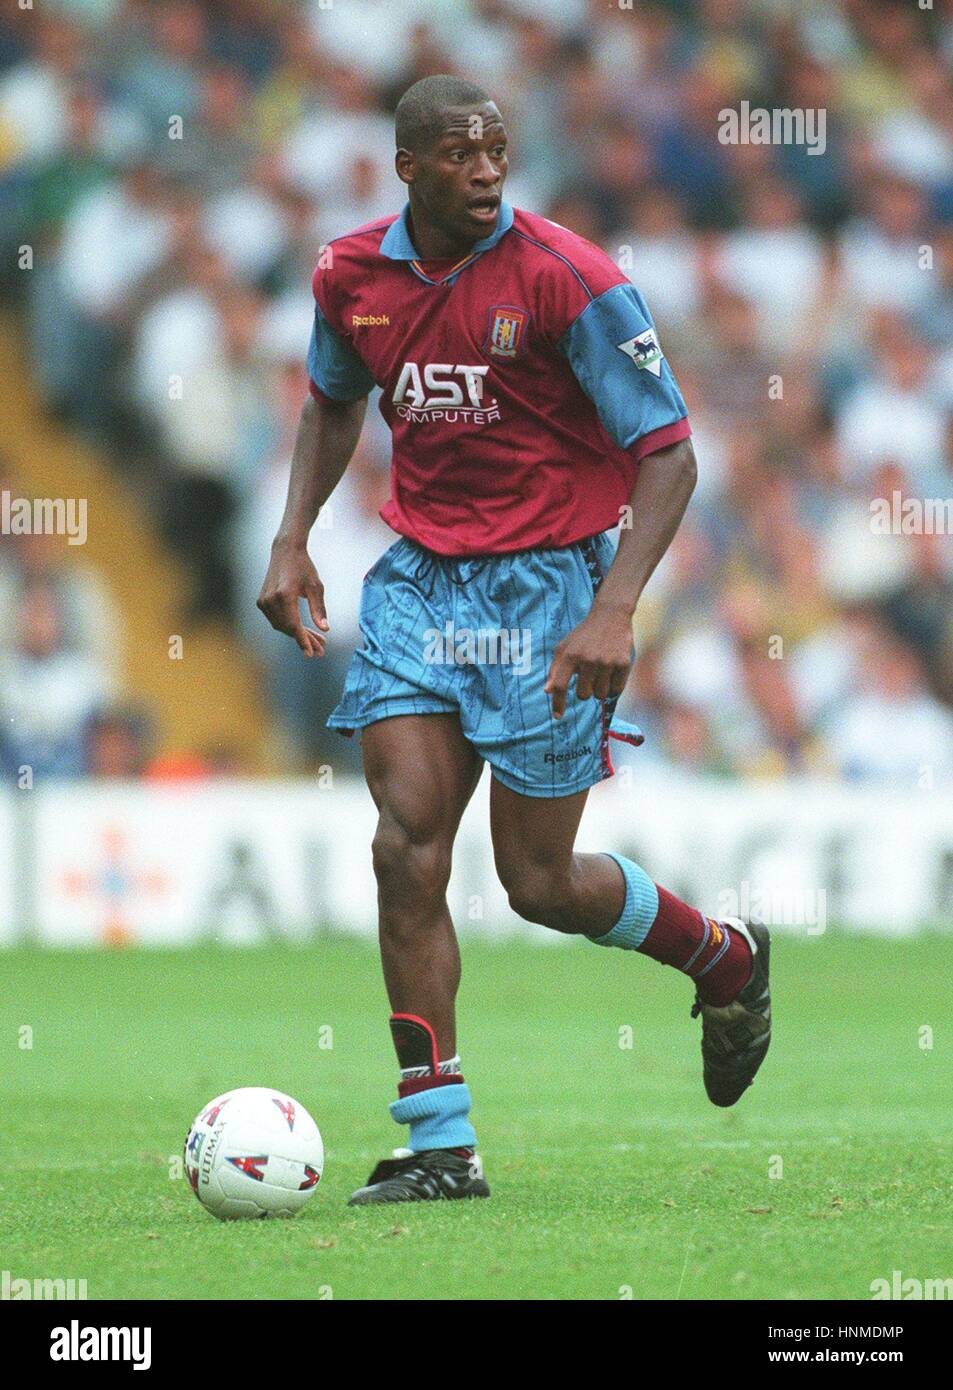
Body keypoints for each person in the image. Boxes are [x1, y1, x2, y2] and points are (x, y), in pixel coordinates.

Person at [258, 76, 771, 1206]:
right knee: (405, 842)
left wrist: (613, 607)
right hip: (418, 583)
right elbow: (331, 400)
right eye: (457, 153)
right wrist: (292, 535)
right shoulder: (352, 277)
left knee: (537, 882)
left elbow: (671, 454)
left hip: (551, 590)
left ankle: (721, 957)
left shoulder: (571, 279)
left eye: (496, 149)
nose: (485, 170)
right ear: (407, 166)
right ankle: (440, 1139)